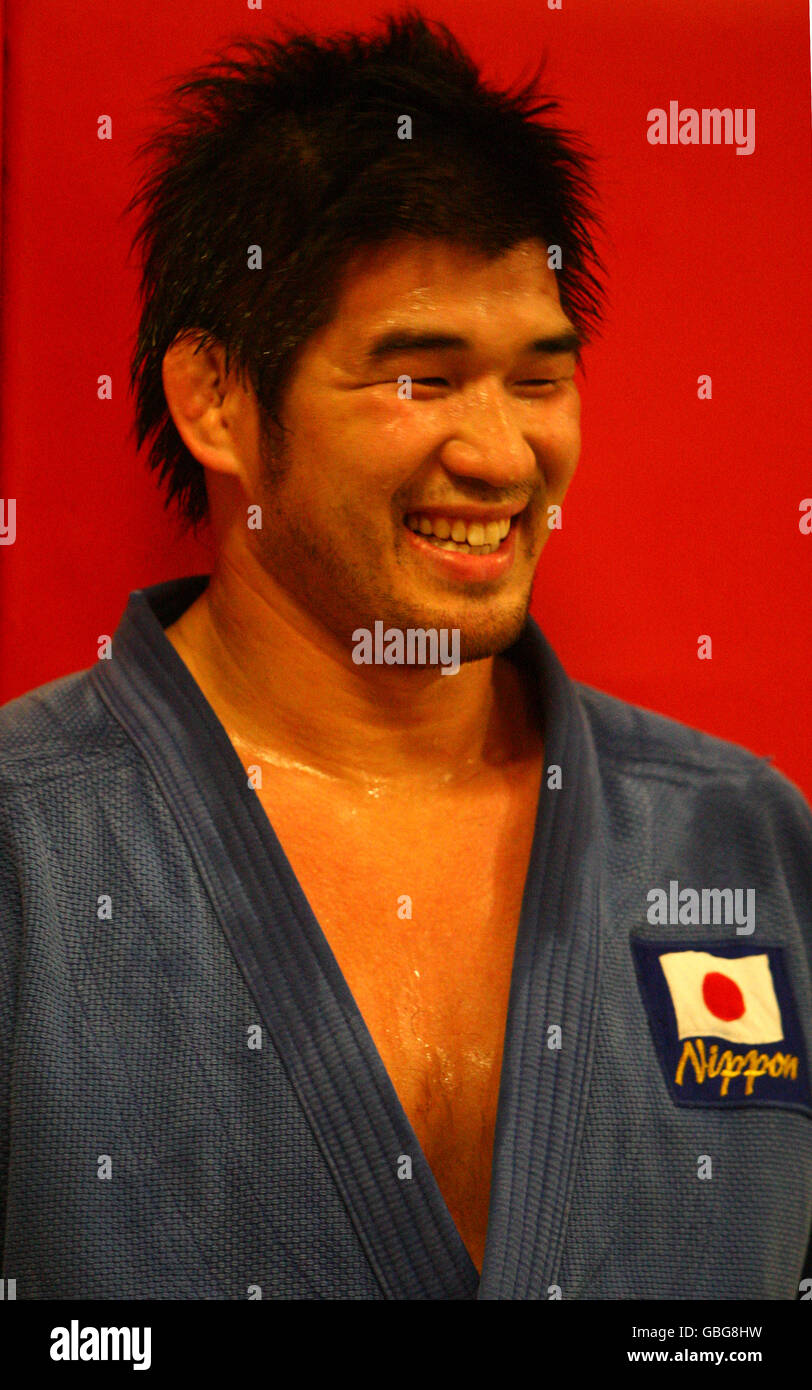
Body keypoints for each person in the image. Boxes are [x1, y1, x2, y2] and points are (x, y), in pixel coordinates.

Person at [1, 12, 810, 1302]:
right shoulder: (27, 857)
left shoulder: (744, 844)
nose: (501, 457)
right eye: (421, 381)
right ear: (214, 398)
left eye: (538, 380)